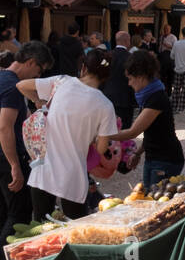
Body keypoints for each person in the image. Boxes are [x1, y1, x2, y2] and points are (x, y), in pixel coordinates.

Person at [18, 49, 117, 220]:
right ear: (105, 77)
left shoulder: (61, 81)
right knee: (76, 229)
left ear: (83, 68)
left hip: (44, 170)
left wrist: (39, 102)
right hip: (73, 175)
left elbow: (21, 85)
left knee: (41, 227)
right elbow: (101, 149)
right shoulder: (106, 105)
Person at [0, 41, 54, 246]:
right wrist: (15, 166)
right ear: (31, 62)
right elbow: (4, 128)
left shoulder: (3, 77)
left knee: (3, 214)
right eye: (39, 71)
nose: (38, 77)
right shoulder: (12, 87)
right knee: (18, 215)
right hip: (7, 158)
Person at [117, 50, 184, 191]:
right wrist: (137, 153)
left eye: (130, 78)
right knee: (148, 197)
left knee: (155, 201)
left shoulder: (156, 98)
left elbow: (133, 132)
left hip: (166, 160)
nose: (129, 83)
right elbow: (152, 132)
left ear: (140, 77)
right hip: (154, 158)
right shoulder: (149, 94)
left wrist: (103, 135)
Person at [103, 30, 135, 128]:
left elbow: (101, 70)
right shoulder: (130, 58)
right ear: (127, 41)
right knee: (125, 127)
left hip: (108, 95)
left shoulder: (108, 56)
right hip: (125, 97)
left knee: (108, 126)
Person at [158, 32, 175, 102]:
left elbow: (174, 47)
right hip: (161, 57)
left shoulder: (173, 37)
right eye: (165, 29)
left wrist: (167, 46)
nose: (166, 30)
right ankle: (164, 92)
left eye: (167, 29)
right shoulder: (161, 37)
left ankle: (168, 92)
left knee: (169, 78)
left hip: (169, 57)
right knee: (163, 77)